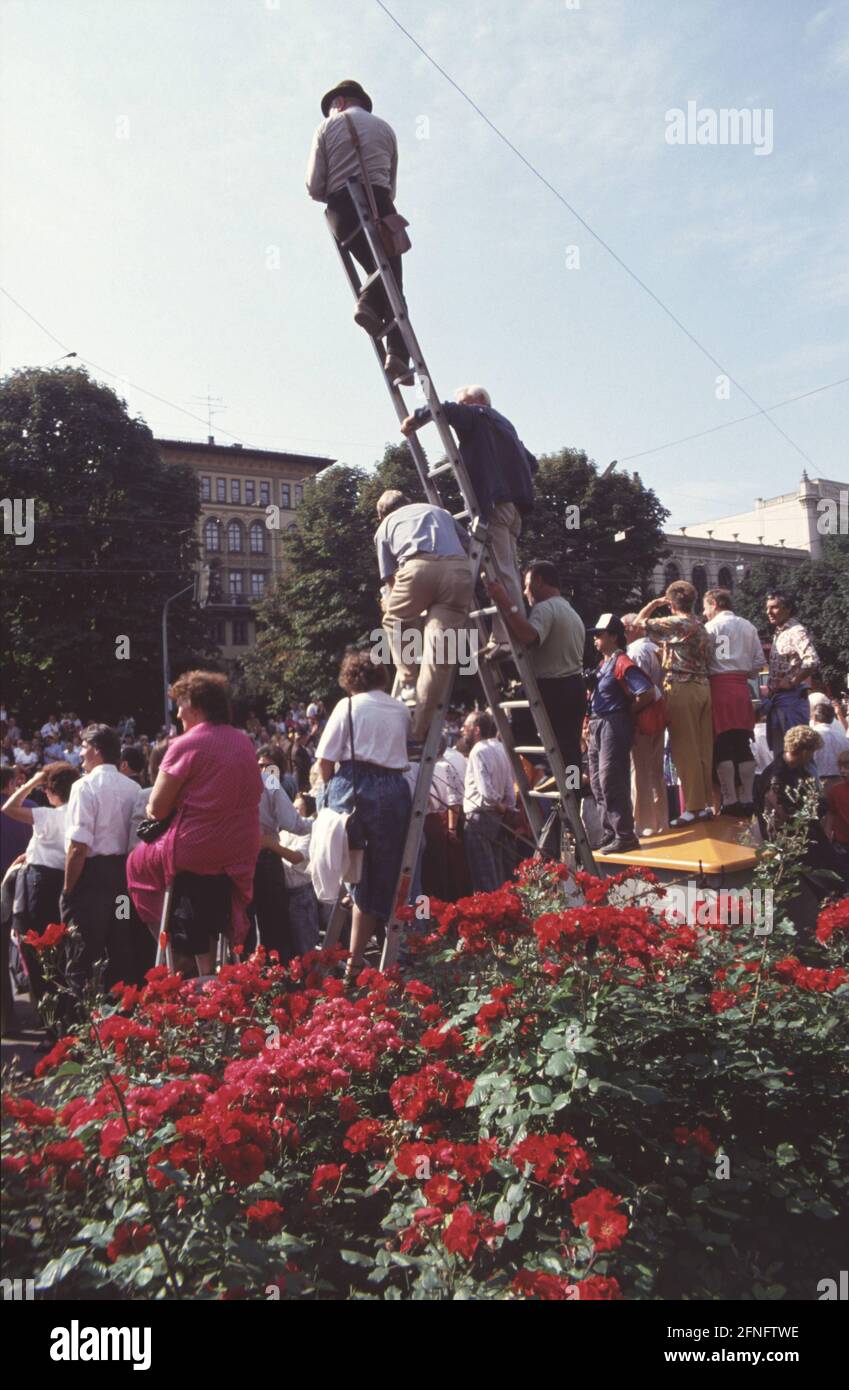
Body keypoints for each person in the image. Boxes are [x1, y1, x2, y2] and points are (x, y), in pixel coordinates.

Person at [127, 672, 262, 973]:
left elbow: (157, 809)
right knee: (199, 886)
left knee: (136, 863)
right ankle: (204, 955)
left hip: (197, 848)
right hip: (241, 850)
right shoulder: (244, 742)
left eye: (181, 705)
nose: (177, 713)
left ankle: (175, 954)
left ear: (197, 707)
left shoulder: (186, 744)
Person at [401, 386, 537, 658]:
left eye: (465, 402)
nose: (461, 408)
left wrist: (414, 419)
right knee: (501, 571)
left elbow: (445, 409)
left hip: (496, 504)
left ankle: (510, 639)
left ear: (477, 401)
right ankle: (501, 637)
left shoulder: (478, 415)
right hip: (514, 508)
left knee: (503, 572)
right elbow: (532, 463)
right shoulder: (505, 426)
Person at [306, 79, 413, 385]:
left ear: (338, 103)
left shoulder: (326, 128)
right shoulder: (386, 129)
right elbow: (390, 188)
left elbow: (314, 186)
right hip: (380, 207)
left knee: (382, 274)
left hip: (343, 210)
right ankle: (397, 354)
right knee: (391, 277)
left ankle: (368, 302)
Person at [316, 652, 412, 979]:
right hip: (396, 791)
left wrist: (323, 797)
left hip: (357, 790)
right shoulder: (401, 708)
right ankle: (385, 954)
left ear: (350, 680)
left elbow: (325, 761)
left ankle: (354, 961)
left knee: (354, 870)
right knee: (386, 873)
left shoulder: (348, 706)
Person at [374, 489, 474, 740]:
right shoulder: (440, 512)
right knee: (437, 659)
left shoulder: (385, 526)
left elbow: (390, 581)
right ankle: (418, 731)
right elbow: (472, 545)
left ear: (381, 514)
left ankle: (408, 680)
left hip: (418, 569)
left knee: (392, 619)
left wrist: (408, 615)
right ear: (407, 502)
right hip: (458, 573)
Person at [60, 724, 145, 1001]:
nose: (80, 753)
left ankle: (82, 1025)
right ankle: (122, 1016)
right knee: (120, 943)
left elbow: (77, 848)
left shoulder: (84, 787)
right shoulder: (132, 788)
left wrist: (68, 890)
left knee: (85, 950)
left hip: (92, 882)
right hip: (121, 882)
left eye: (83, 747)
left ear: (95, 750)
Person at [487, 559, 586, 785]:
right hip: (574, 686)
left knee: (516, 731)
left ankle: (546, 768)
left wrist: (505, 602)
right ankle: (574, 792)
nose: (524, 591)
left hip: (551, 687)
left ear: (539, 581)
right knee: (570, 747)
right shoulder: (570, 611)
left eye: (527, 584)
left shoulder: (544, 607)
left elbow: (529, 636)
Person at [635, 581, 714, 826]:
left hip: (681, 687)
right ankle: (703, 804)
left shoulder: (677, 623)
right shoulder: (701, 626)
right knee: (702, 748)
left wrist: (653, 604)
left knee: (685, 748)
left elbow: (637, 625)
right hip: (703, 687)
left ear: (671, 602)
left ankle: (692, 807)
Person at [3, 762, 79, 1010]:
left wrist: (33, 781)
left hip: (38, 885)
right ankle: (64, 1014)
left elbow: (9, 807)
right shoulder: (79, 813)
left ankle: (51, 1019)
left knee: (35, 951)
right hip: (67, 881)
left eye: (46, 788)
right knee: (62, 952)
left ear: (52, 789)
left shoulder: (48, 814)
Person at [586, 614, 655, 854]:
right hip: (597, 724)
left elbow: (646, 692)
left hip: (613, 723)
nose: (595, 638)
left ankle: (624, 834)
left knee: (610, 778)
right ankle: (611, 832)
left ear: (613, 636)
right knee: (597, 782)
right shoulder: (604, 663)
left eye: (600, 634)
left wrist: (626, 710)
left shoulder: (622, 661)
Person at [754, 726, 849, 894]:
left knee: (836, 874)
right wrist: (816, 808)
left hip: (804, 832)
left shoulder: (795, 769)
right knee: (830, 881)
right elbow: (785, 815)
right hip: (792, 838)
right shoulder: (776, 777)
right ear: (805, 751)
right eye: (812, 752)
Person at [702, 588, 764, 817]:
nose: (704, 611)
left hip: (718, 687)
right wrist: (743, 672)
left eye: (706, 606)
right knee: (742, 740)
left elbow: (706, 659)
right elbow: (758, 662)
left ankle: (730, 799)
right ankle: (747, 796)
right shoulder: (749, 626)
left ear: (715, 604)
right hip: (741, 688)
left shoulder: (710, 628)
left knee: (723, 742)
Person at [250, 753, 311, 960]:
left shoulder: (221, 779)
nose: (264, 769)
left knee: (249, 930)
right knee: (272, 927)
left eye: (269, 765)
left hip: (239, 859)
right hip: (261, 859)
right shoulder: (268, 781)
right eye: (260, 764)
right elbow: (294, 824)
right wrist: (319, 824)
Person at [621, 612, 668, 838]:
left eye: (624, 627)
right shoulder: (653, 648)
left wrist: (628, 712)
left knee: (640, 771)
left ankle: (644, 824)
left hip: (643, 715)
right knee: (655, 772)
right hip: (659, 714)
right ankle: (660, 820)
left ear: (635, 628)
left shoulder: (636, 652)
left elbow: (641, 690)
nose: (621, 632)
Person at [462, 710, 516, 891]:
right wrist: (507, 807)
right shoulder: (500, 747)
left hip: (480, 816)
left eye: (466, 727)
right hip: (497, 818)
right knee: (498, 871)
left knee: (483, 874)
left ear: (476, 730)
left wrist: (500, 805)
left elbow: (487, 793)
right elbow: (510, 786)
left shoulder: (477, 751)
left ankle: (491, 915)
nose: (462, 730)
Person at [764, 592, 819, 760]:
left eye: (774, 607)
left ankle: (808, 786)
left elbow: (812, 660)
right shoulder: (780, 632)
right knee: (783, 757)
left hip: (792, 701)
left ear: (787, 609)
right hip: (778, 701)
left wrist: (793, 681)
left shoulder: (796, 630)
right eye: (767, 608)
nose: (769, 612)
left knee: (798, 754)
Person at [808, 695, 849, 785]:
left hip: (817, 782)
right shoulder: (843, 737)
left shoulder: (809, 737)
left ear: (814, 716)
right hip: (840, 782)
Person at [824, 749, 849, 852]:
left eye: (847, 767)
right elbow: (831, 813)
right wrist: (828, 832)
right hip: (841, 843)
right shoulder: (835, 791)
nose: (842, 771)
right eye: (840, 767)